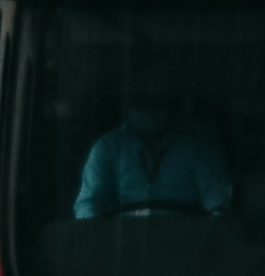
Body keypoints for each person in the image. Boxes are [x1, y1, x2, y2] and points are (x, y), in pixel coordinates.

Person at [75, 92, 232, 220]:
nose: (149, 106)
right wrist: (96, 234)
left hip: (185, 245)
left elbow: (218, 198)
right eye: (141, 96)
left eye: (156, 96)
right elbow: (88, 203)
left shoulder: (197, 144)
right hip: (122, 248)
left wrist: (214, 225)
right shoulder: (107, 147)